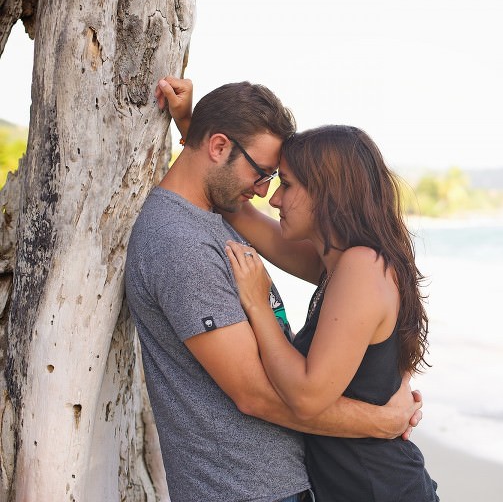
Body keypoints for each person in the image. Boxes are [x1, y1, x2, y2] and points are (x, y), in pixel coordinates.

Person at [125, 79, 422, 502]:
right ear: (218, 146)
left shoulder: (352, 263)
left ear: (326, 195)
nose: (268, 194)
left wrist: (195, 128)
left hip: (329, 484)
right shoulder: (180, 242)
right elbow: (255, 394)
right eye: (263, 174)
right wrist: (382, 422)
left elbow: (236, 198)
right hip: (251, 487)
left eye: (281, 181)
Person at [224, 125, 440, 501]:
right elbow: (240, 213)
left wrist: (258, 304)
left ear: (327, 192)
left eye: (287, 185)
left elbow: (307, 398)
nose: (274, 200)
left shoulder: (361, 266)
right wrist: (195, 129)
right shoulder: (341, 263)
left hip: (381, 490)